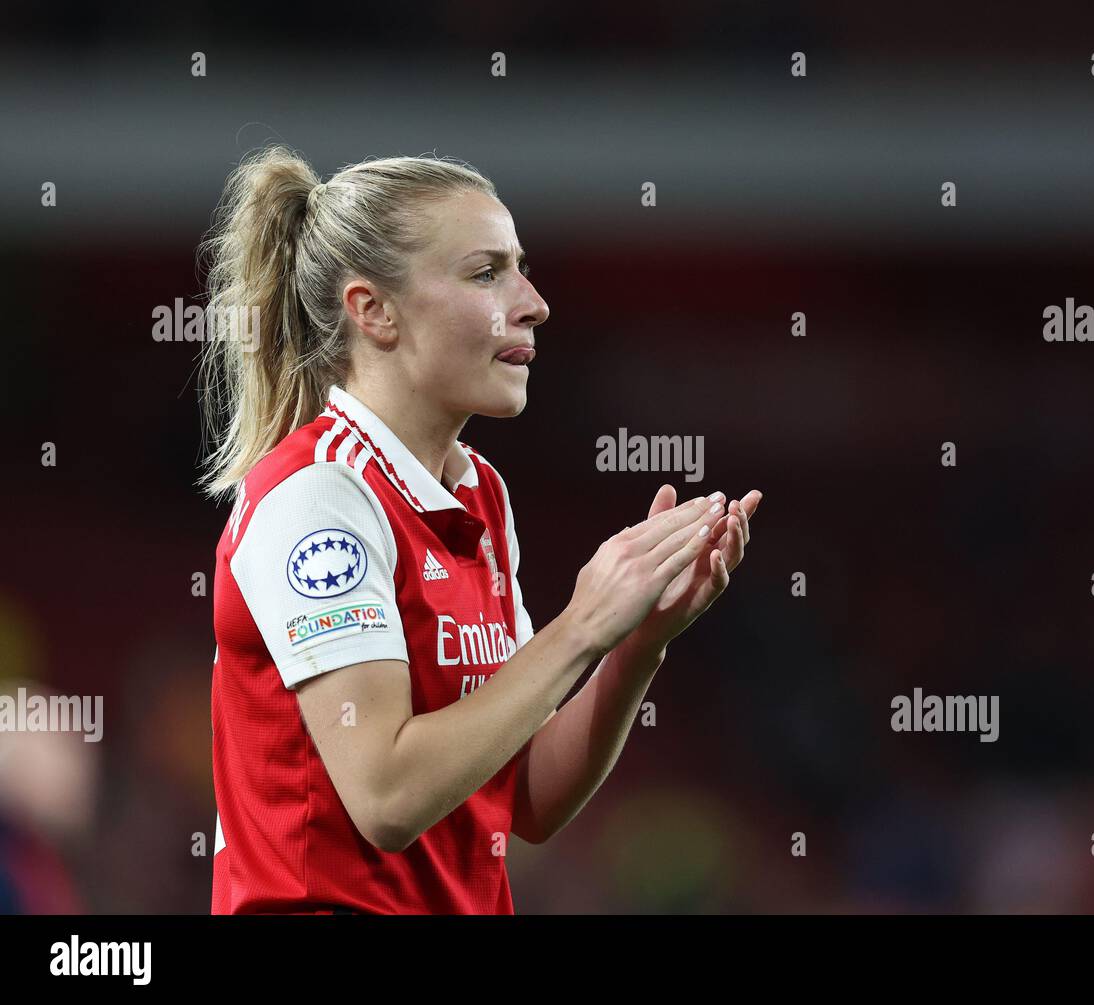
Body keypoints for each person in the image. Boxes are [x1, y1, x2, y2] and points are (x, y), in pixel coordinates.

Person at [199, 146, 761, 914]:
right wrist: (582, 625)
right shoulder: (318, 498)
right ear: (374, 311)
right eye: (486, 272)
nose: (533, 302)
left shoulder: (478, 491)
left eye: (520, 268)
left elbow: (525, 798)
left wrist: (637, 641)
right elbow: (387, 795)